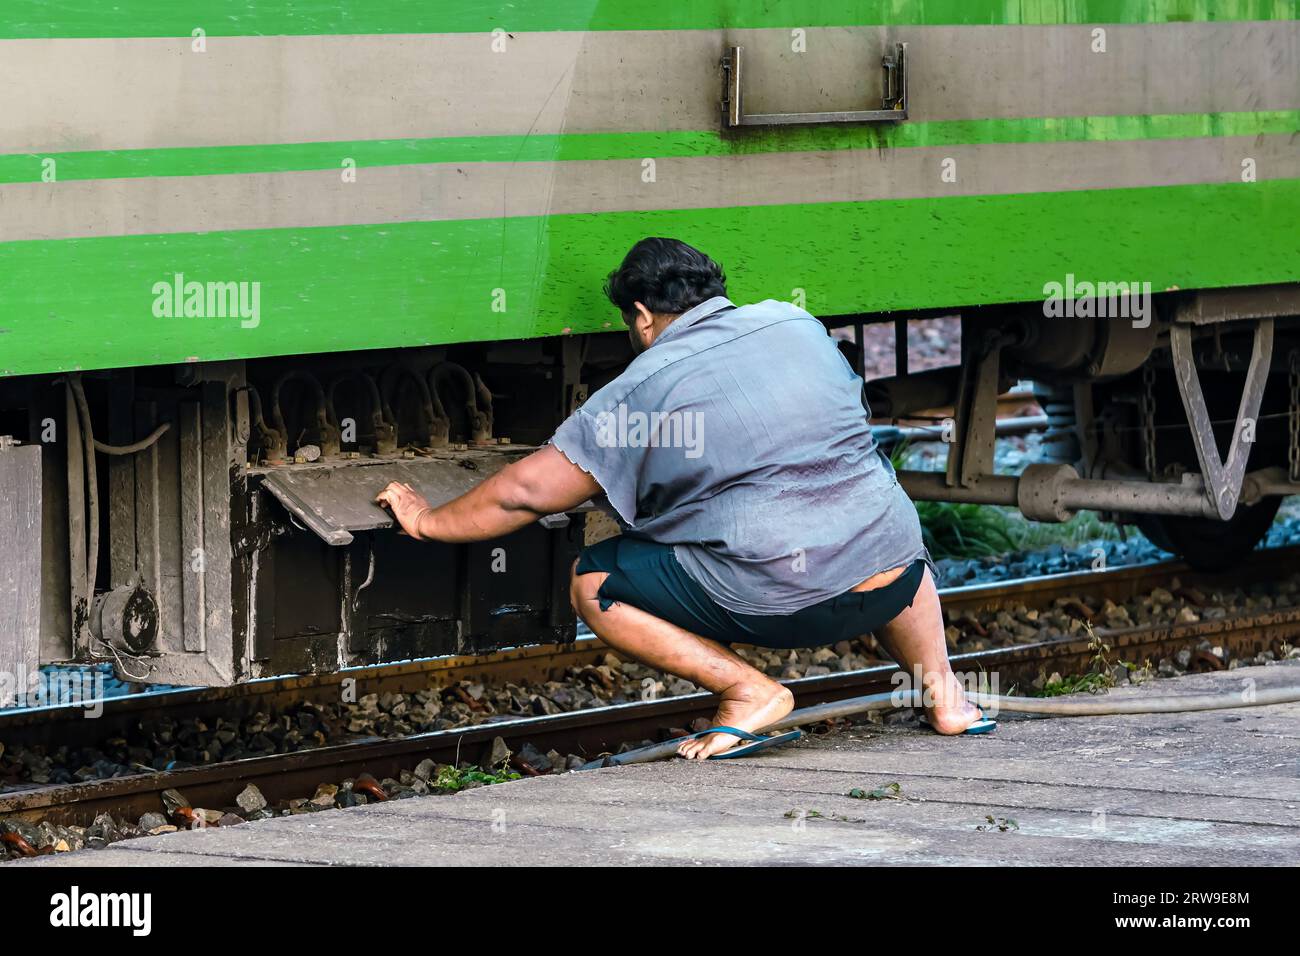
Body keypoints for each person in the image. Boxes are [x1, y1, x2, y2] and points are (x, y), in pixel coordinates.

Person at [376, 237, 987, 760]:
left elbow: (525, 494)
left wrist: (427, 520)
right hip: (895, 582)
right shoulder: (797, 325)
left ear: (642, 316)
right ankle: (945, 694)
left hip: (782, 606)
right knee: (874, 509)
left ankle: (750, 690)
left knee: (594, 580)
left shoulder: (642, 384)